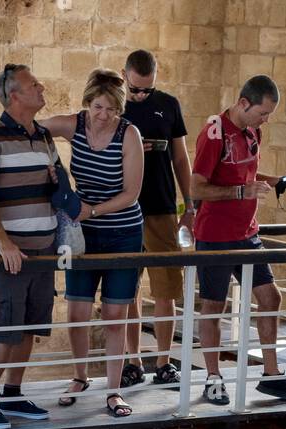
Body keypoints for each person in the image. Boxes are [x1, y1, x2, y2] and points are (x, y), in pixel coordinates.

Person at [190, 75, 286, 406]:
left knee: (271, 298)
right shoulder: (214, 132)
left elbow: (248, 175)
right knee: (214, 306)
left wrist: (279, 180)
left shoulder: (252, 130)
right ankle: (213, 378)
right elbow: (196, 186)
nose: (265, 121)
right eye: (262, 114)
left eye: (268, 115)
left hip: (247, 232)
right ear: (243, 103)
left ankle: (271, 376)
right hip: (215, 235)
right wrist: (242, 191)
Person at [42, 70, 144, 418]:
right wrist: (50, 167)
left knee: (115, 314)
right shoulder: (74, 125)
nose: (104, 116)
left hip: (122, 231)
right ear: (87, 104)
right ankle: (80, 377)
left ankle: (114, 391)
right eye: (99, 107)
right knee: (77, 311)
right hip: (80, 233)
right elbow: (34, 129)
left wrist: (93, 210)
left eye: (112, 109)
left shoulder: (129, 134)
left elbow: (132, 193)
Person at [0, 64, 61, 429]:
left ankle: (13, 393)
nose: (42, 87)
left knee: (30, 326)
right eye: (33, 84)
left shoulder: (43, 135)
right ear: (14, 95)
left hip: (44, 247)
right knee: (6, 326)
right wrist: (4, 243)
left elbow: (53, 182)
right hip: (10, 249)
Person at [120, 49, 194, 388]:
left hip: (163, 206)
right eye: (135, 89)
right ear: (124, 76)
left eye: (147, 90)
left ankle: (164, 361)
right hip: (123, 210)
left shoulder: (170, 104)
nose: (140, 96)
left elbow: (181, 158)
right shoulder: (113, 107)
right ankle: (132, 361)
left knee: (165, 290)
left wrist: (189, 204)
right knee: (126, 291)